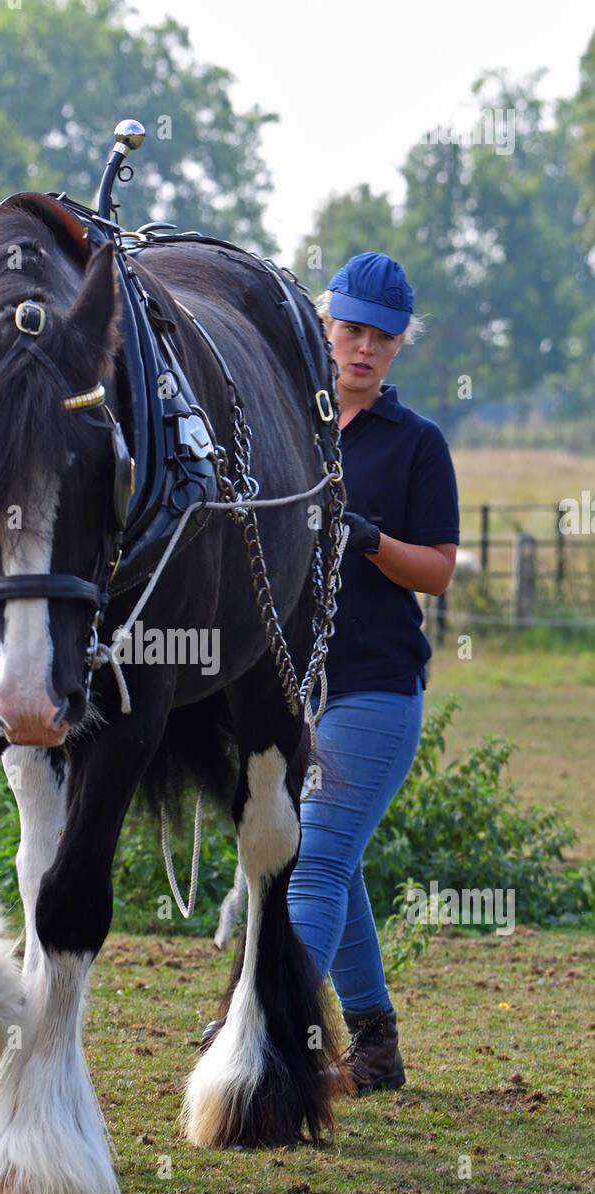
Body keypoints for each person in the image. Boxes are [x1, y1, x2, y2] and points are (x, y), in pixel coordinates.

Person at [286, 251, 459, 1094]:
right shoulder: (284, 426)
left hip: (376, 689)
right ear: (325, 327)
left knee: (311, 864)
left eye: (382, 338)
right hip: (289, 688)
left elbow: (437, 570)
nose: (363, 348)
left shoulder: (417, 445)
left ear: (397, 349)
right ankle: (378, 1047)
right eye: (351, 330)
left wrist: (367, 539)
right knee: (337, 864)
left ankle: (273, 1021)